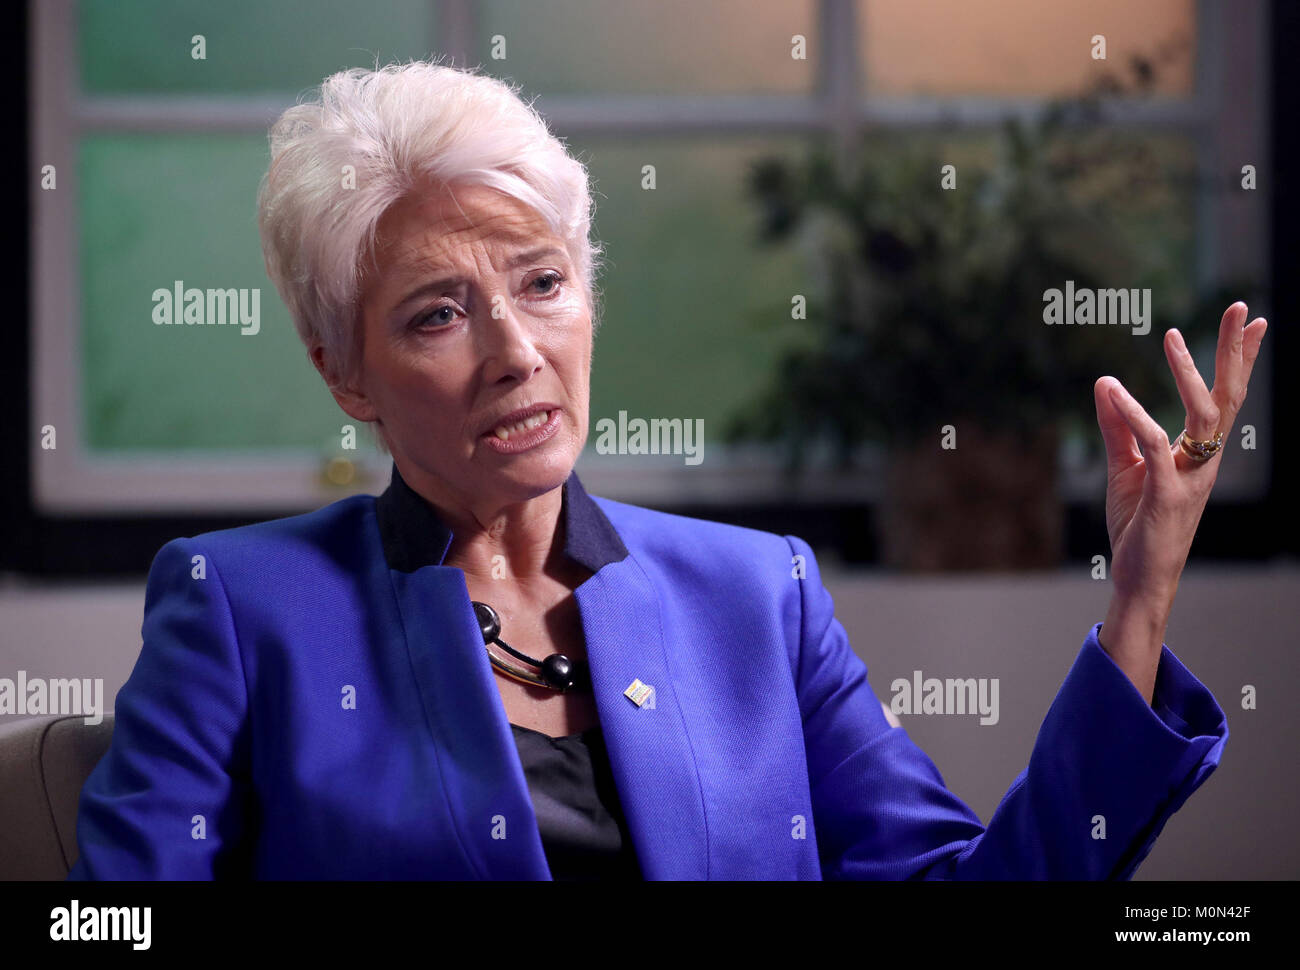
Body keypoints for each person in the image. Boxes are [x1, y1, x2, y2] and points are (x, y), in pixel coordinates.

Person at [67, 61, 1267, 880]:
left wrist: (1139, 597)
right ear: (345, 374)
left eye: (542, 282)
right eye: (438, 313)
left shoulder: (759, 593)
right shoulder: (242, 606)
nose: (515, 352)